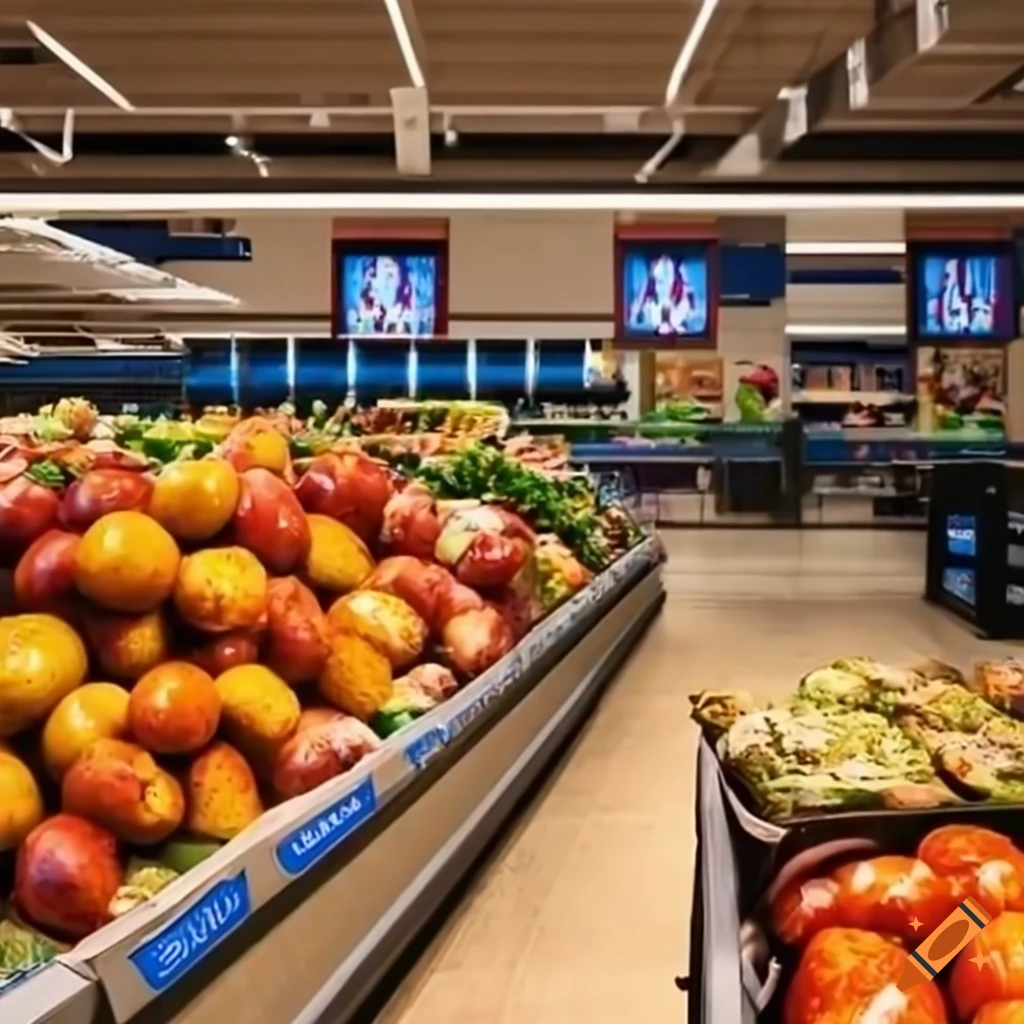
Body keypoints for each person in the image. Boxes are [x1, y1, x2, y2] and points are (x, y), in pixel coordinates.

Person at [629, 255, 699, 335]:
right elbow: (687, 289)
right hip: (673, 278)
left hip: (660, 283)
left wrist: (639, 311)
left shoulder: (654, 317)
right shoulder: (678, 316)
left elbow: (645, 296)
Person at [351, 256, 416, 335]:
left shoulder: (410, 314)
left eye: (390, 275)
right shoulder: (363, 311)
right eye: (379, 275)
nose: (386, 283)